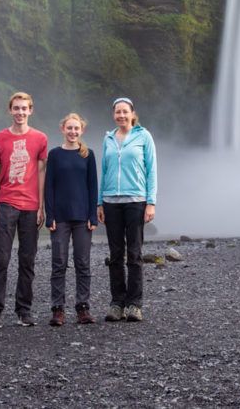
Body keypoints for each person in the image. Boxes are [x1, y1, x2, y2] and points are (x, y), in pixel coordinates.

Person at [0, 91, 48, 328]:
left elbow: (41, 172)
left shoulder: (40, 138)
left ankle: (24, 310)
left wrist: (41, 205)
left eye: (24, 108)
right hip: (7, 204)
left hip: (31, 206)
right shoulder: (0, 138)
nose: (20, 112)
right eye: (16, 108)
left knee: (27, 260)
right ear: (10, 110)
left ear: (31, 110)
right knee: (0, 258)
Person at [97, 97, 157, 323]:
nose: (121, 115)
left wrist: (151, 202)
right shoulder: (109, 138)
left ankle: (135, 304)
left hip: (136, 201)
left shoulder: (144, 136)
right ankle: (117, 303)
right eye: (117, 112)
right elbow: (104, 170)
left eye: (125, 112)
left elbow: (152, 170)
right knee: (115, 255)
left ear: (132, 113)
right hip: (111, 202)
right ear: (114, 115)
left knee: (134, 253)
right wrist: (99, 202)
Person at [44, 113, 99, 326]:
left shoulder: (88, 154)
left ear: (81, 130)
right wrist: (50, 216)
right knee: (59, 263)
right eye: (70, 128)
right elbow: (49, 187)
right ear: (62, 129)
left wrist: (93, 215)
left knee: (83, 263)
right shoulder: (55, 154)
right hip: (60, 217)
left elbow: (92, 186)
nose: (73, 132)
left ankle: (82, 308)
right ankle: (58, 309)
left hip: (83, 217)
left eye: (77, 128)